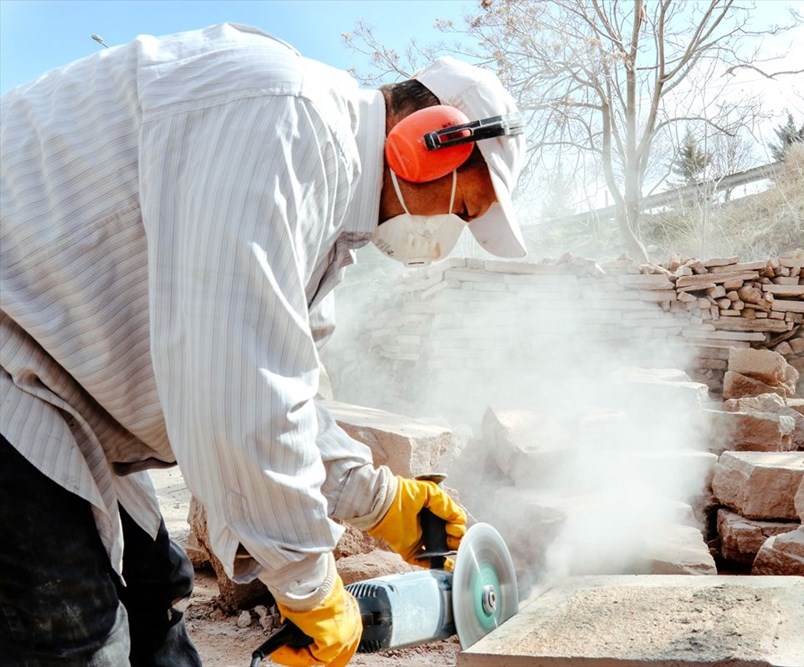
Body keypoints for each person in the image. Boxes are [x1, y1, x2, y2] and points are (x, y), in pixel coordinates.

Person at [0, 22, 525, 667]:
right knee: (74, 635)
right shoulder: (279, 122)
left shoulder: (325, 208)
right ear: (428, 144)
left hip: (67, 388)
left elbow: (289, 393)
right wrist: (307, 584)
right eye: (464, 209)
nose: (449, 232)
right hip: (16, 366)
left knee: (157, 592)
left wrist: (381, 500)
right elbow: (233, 387)